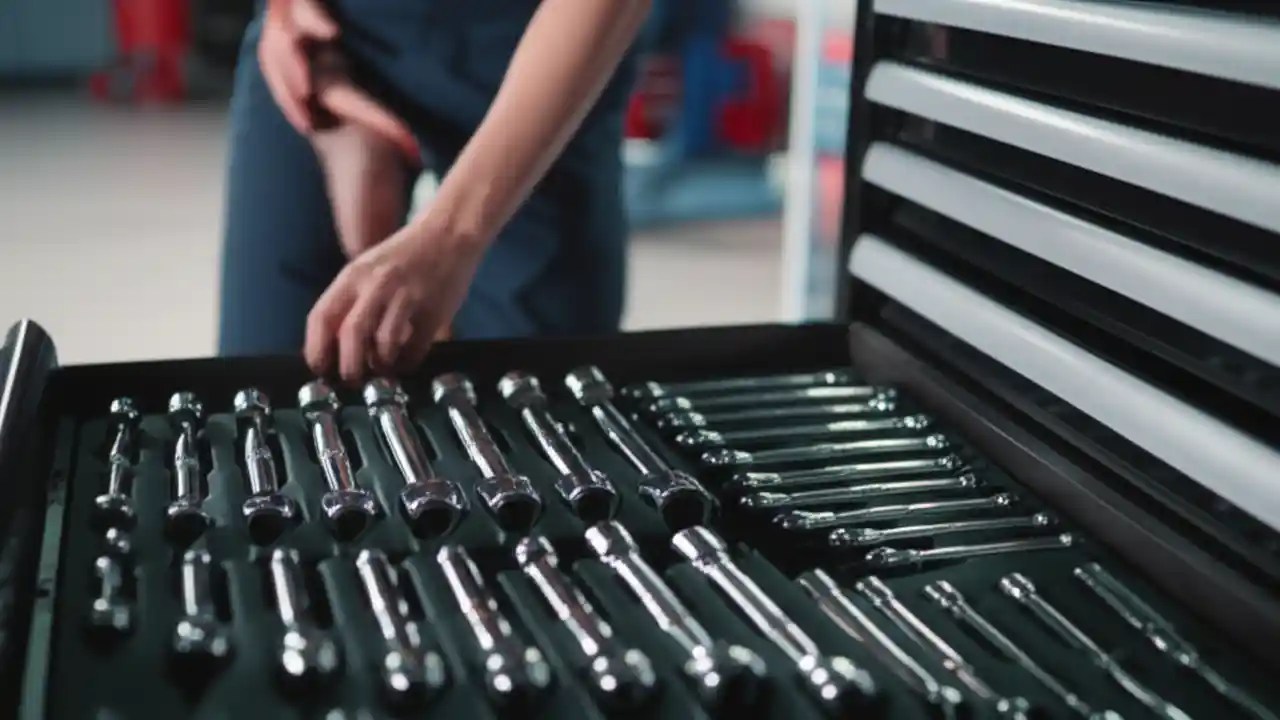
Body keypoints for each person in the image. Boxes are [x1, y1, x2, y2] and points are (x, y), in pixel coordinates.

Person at [217, 0, 653, 383]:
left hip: (539, 55)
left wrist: (452, 235)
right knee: (262, 396)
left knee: (545, 413)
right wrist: (289, 16)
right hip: (326, 45)